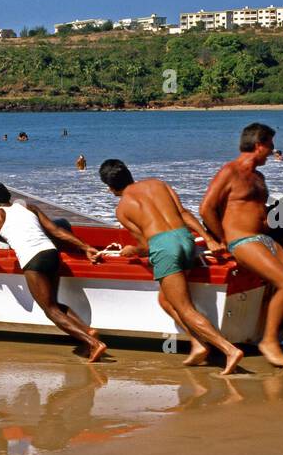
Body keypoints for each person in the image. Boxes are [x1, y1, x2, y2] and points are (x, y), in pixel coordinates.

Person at [98, 159, 243, 375]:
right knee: (165, 300)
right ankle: (198, 343)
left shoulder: (122, 209)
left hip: (164, 247)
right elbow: (184, 213)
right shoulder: (158, 184)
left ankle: (228, 350)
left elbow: (146, 245)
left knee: (185, 308)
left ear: (109, 187)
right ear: (129, 173)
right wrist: (208, 239)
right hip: (185, 239)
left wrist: (132, 251)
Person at [200, 123, 283, 370]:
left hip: (265, 240)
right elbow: (206, 208)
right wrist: (221, 238)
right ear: (259, 145)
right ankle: (268, 340)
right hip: (243, 240)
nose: (273, 150)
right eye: (270, 145)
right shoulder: (230, 171)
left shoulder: (258, 176)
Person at [0, 183, 107, 361]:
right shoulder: (29, 208)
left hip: (33, 260)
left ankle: (93, 343)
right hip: (52, 254)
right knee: (54, 303)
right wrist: (85, 247)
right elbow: (56, 231)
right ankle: (88, 331)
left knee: (49, 310)